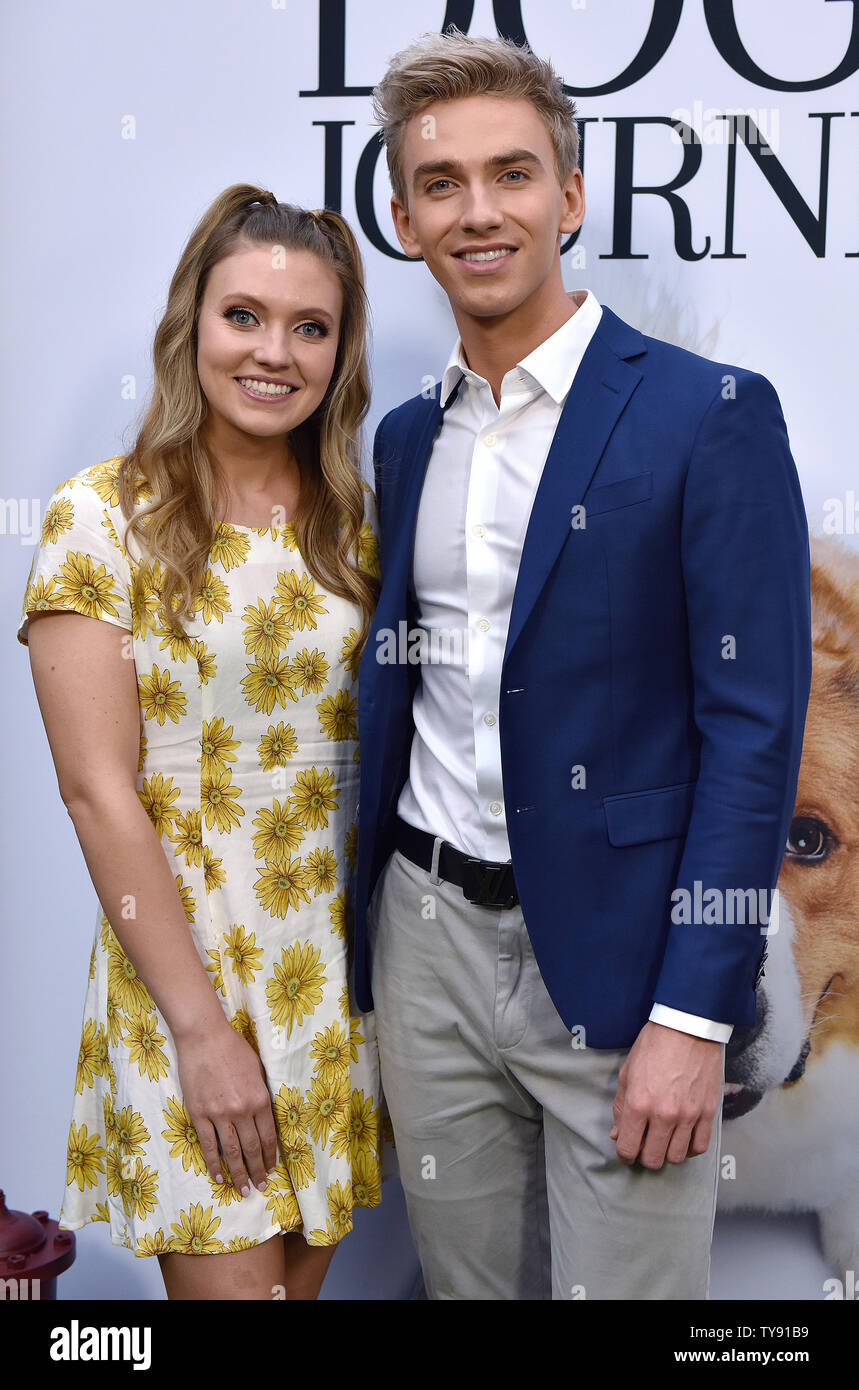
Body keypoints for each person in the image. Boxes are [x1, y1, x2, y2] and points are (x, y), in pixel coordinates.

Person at [353, 31, 812, 1300]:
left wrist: (694, 1015)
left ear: (569, 195)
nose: (476, 211)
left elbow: (753, 733)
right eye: (440, 183)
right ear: (401, 216)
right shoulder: (404, 438)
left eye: (511, 174)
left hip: (623, 965)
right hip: (427, 938)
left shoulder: (706, 414)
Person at [18, 184, 384, 1300]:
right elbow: (96, 793)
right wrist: (201, 1032)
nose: (274, 352)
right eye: (244, 316)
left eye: (309, 327)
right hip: (189, 975)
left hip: (336, 987)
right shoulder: (103, 514)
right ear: (192, 327)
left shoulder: (361, 525)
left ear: (340, 350)